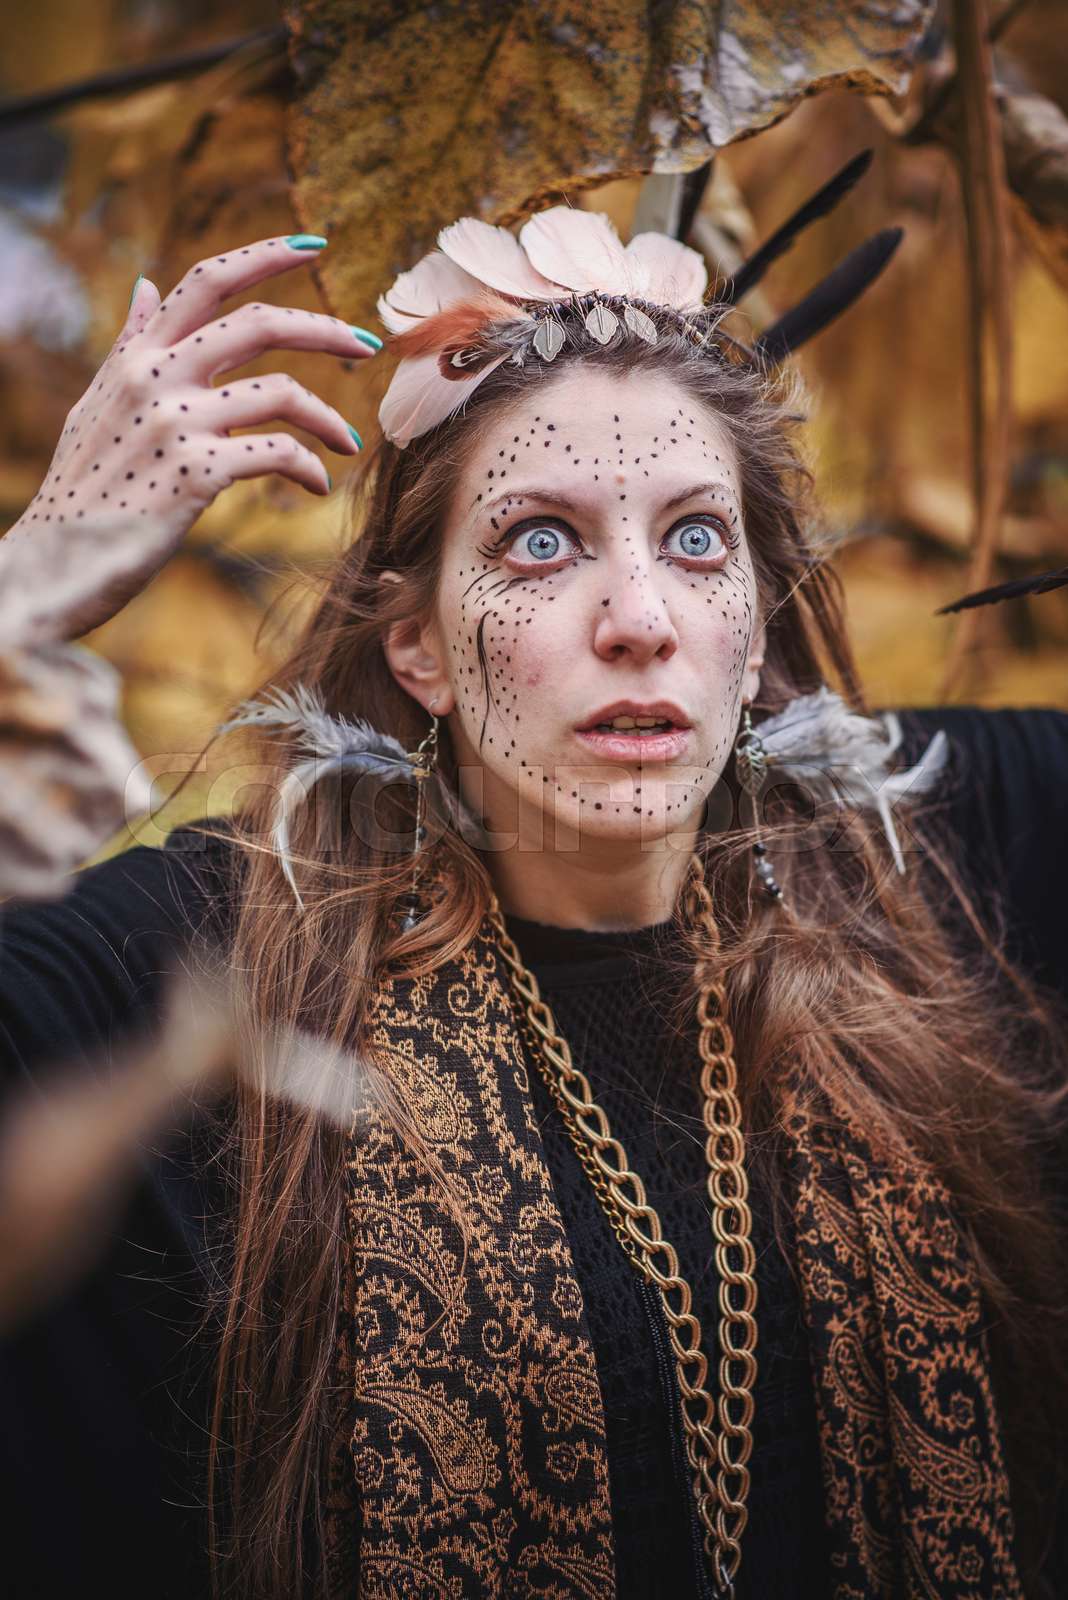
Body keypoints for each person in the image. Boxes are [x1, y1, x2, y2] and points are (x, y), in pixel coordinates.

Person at [1, 211, 1067, 1600]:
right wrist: (27, 590)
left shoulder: (932, 850)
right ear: (423, 647)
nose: (639, 615)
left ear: (753, 629)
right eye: (541, 545)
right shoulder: (223, 970)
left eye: (695, 538)